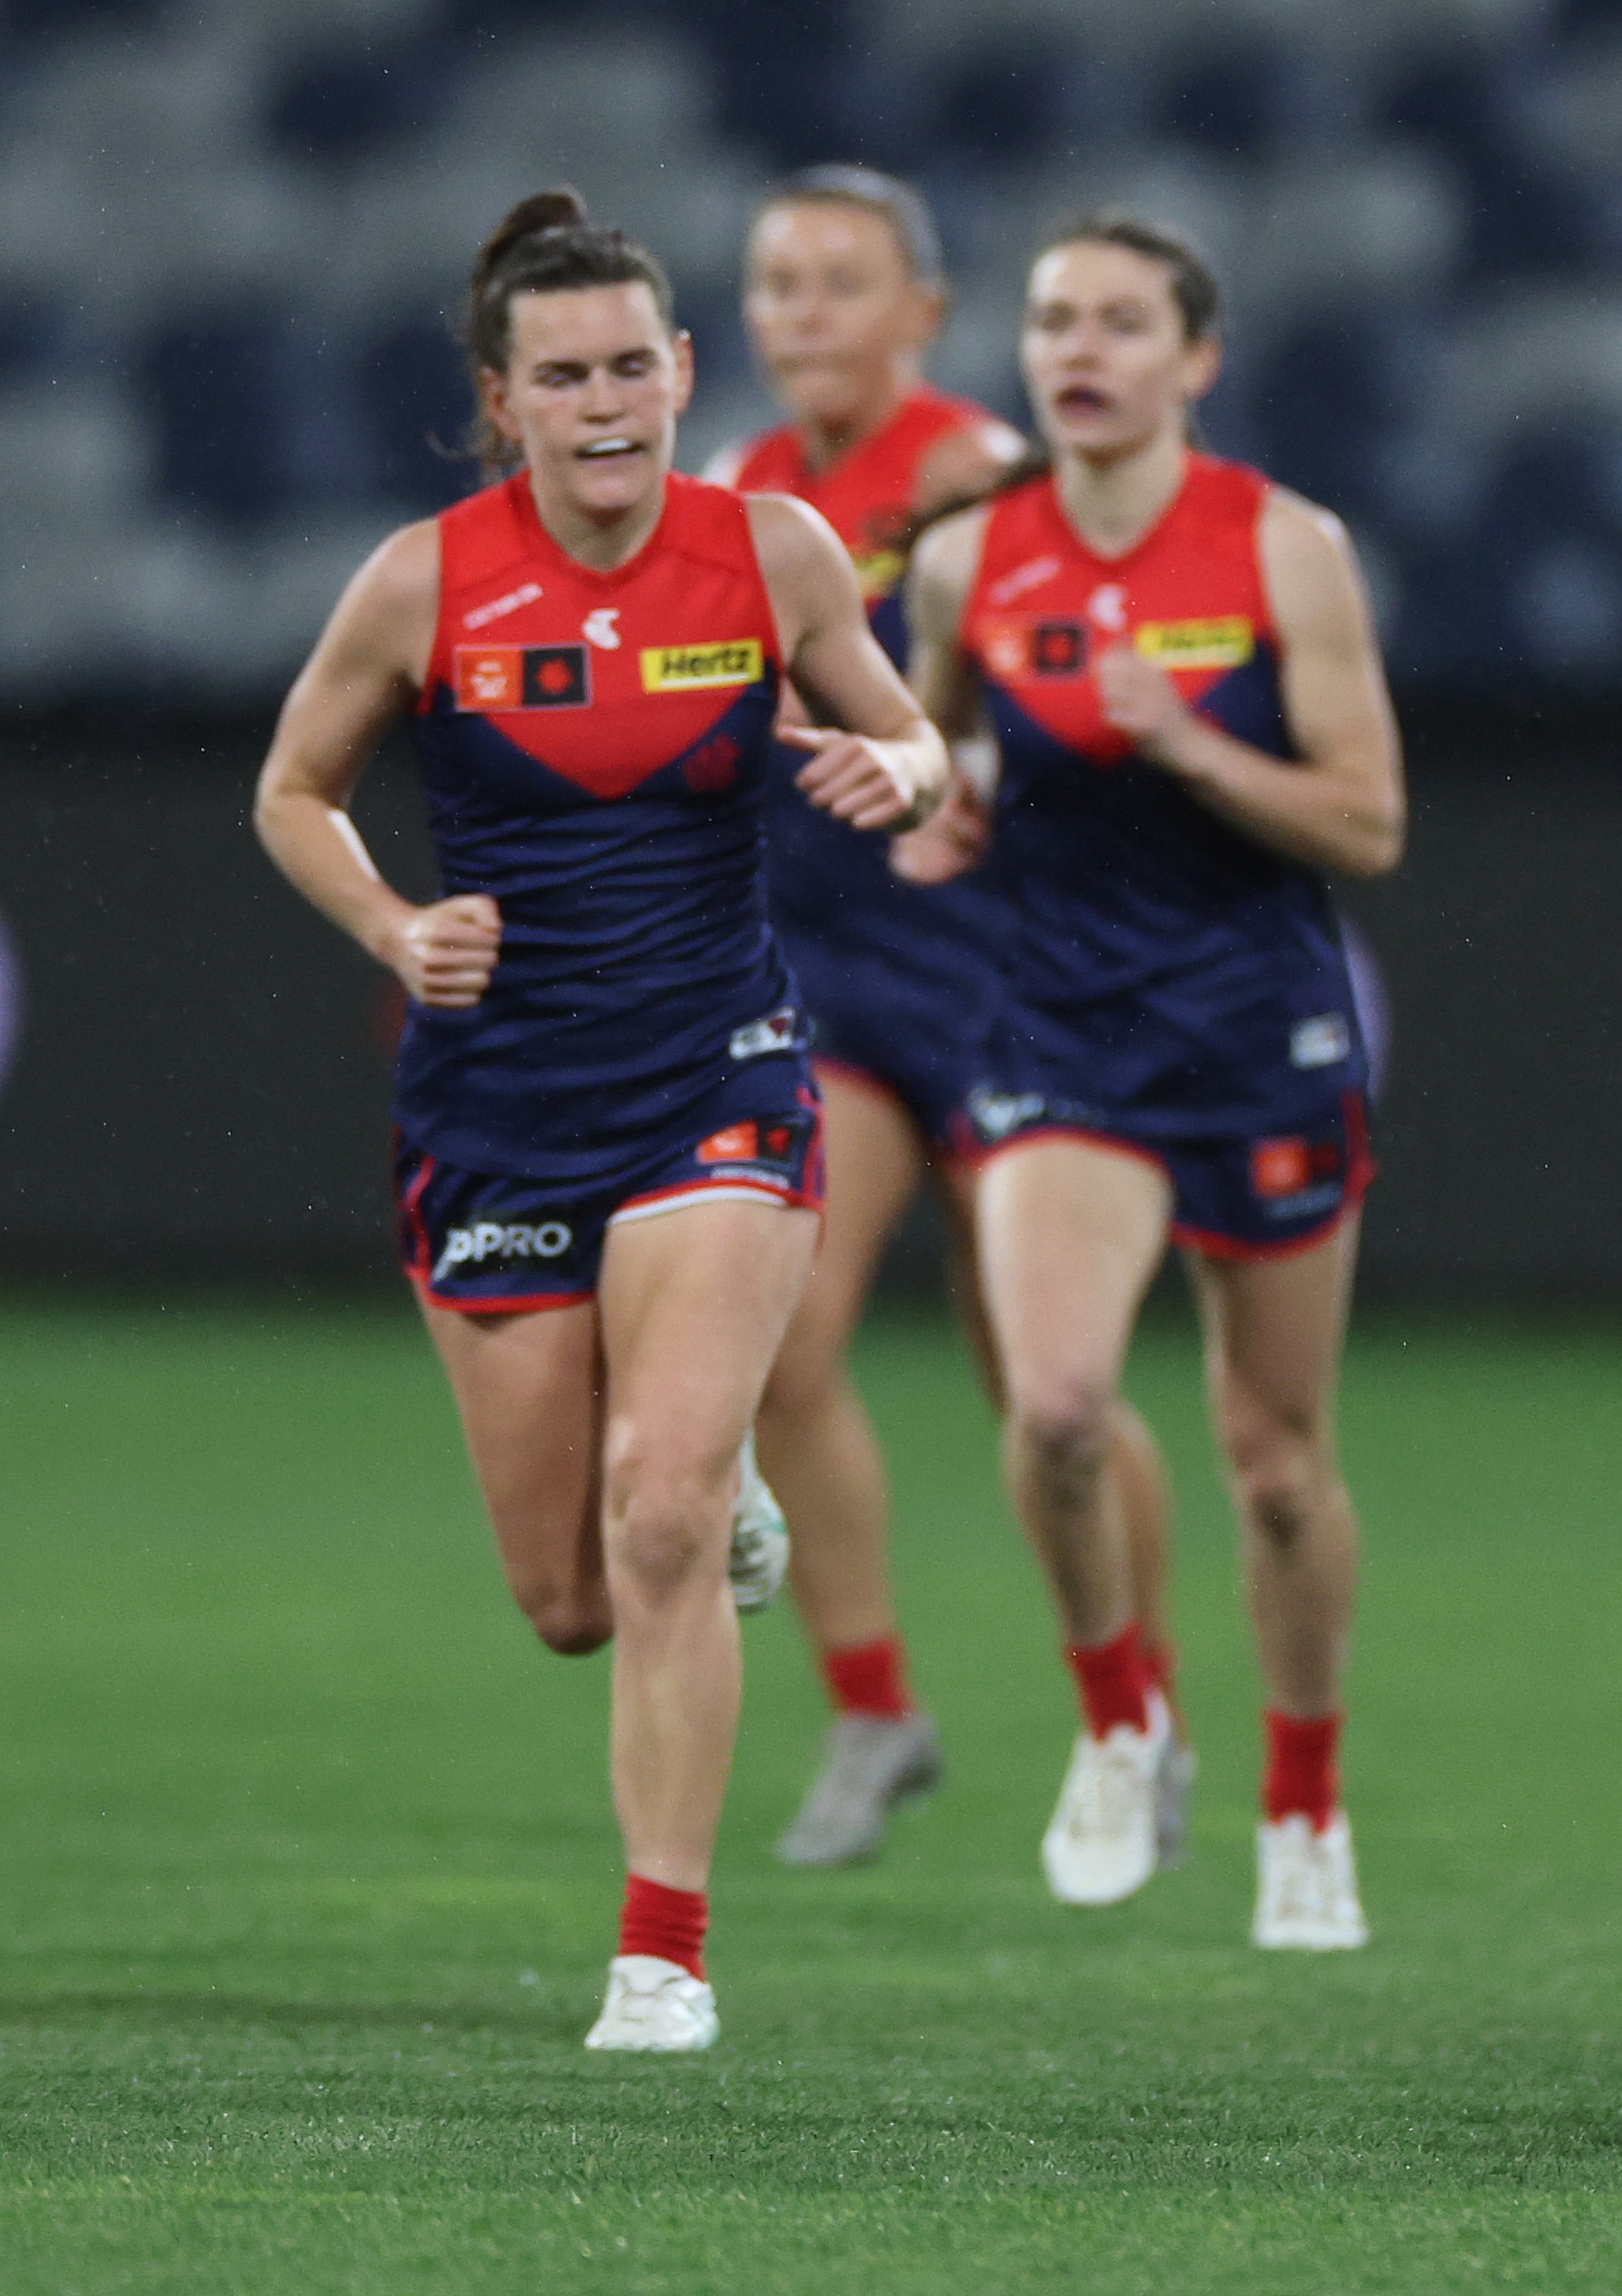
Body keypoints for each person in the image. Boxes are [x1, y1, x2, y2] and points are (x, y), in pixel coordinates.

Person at [251, 191, 949, 2049]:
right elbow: (293, 791)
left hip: (717, 1075)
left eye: (635, 363)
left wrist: (901, 761)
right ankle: (706, 1470)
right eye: (565, 376)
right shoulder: (423, 579)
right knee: (568, 1595)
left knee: (652, 1522)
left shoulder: (777, 551)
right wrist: (396, 923)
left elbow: (914, 730)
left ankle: (662, 1953)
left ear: (683, 370)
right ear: (506, 401)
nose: (608, 402)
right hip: (494, 1106)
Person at [903, 213, 1404, 1941]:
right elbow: (943, 755)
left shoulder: (1282, 547)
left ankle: (1305, 1799)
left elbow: (1370, 819)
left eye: (1121, 322)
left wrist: (1187, 736)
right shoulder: (974, 561)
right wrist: (938, 808)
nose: (1078, 351)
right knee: (1051, 1410)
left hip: (1257, 1032)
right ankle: (1120, 1718)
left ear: (1195, 360)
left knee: (1273, 1460)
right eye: (1052, 321)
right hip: (1062, 1037)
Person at [710, 166, 1183, 1869]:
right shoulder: (743, 491)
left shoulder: (980, 477)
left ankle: (1136, 1710)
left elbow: (1037, 718)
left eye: (841, 283)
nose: (802, 315)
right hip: (822, 965)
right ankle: (874, 1706)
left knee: (1040, 1384)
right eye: (776, 285)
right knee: (785, 1332)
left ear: (920, 311)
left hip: (999, 968)